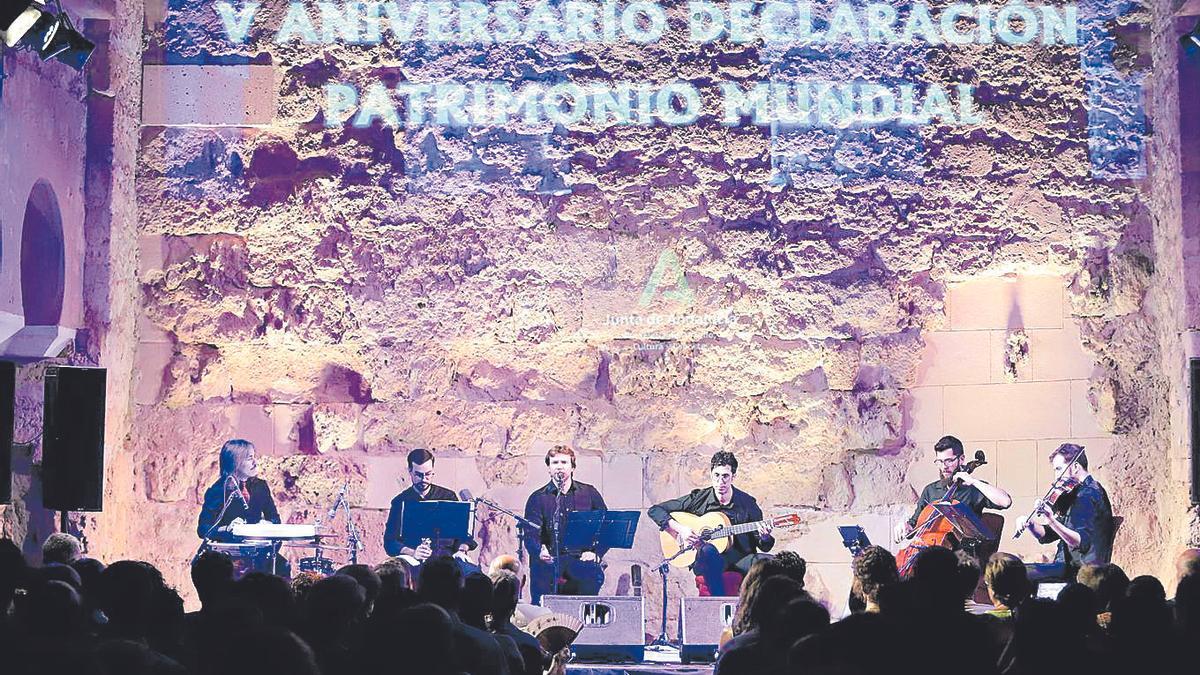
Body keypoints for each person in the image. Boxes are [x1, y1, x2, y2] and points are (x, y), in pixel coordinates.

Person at [648, 450, 775, 597]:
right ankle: (719, 602)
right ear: (711, 475)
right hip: (708, 560)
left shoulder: (747, 504)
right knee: (708, 550)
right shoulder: (699, 499)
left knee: (771, 562)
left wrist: (765, 537)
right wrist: (681, 530)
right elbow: (655, 510)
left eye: (726, 476)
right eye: (717, 475)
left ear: (733, 476)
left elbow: (764, 545)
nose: (721, 482)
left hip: (739, 560)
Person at [522, 445, 608, 604]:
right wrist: (538, 550)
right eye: (554, 463)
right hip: (550, 561)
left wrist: (596, 553)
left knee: (592, 577)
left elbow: (606, 527)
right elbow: (530, 533)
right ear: (548, 468)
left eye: (564, 462)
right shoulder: (538, 497)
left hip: (580, 560)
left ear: (573, 467)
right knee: (542, 591)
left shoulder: (589, 493)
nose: (559, 466)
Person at [892, 435, 1012, 546]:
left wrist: (974, 481)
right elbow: (914, 525)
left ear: (961, 459)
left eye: (949, 461)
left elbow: (1005, 501)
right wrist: (905, 526)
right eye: (939, 461)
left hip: (963, 556)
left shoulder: (973, 489)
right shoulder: (930, 490)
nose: (944, 466)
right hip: (931, 552)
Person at [1019, 443, 1114, 583]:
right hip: (1066, 566)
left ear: (1075, 467)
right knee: (1015, 570)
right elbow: (1049, 534)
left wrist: (1051, 519)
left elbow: (1080, 542)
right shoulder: (1075, 494)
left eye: (1059, 469)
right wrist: (1030, 525)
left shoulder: (1088, 495)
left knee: (1015, 573)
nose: (1057, 477)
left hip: (1081, 572)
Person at [382, 448, 461, 562]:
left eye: (428, 474)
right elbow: (390, 542)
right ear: (410, 471)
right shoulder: (400, 502)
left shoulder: (449, 497)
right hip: (413, 557)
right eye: (418, 475)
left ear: (433, 470)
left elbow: (462, 534)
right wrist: (412, 552)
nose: (424, 479)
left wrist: (461, 550)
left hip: (445, 559)